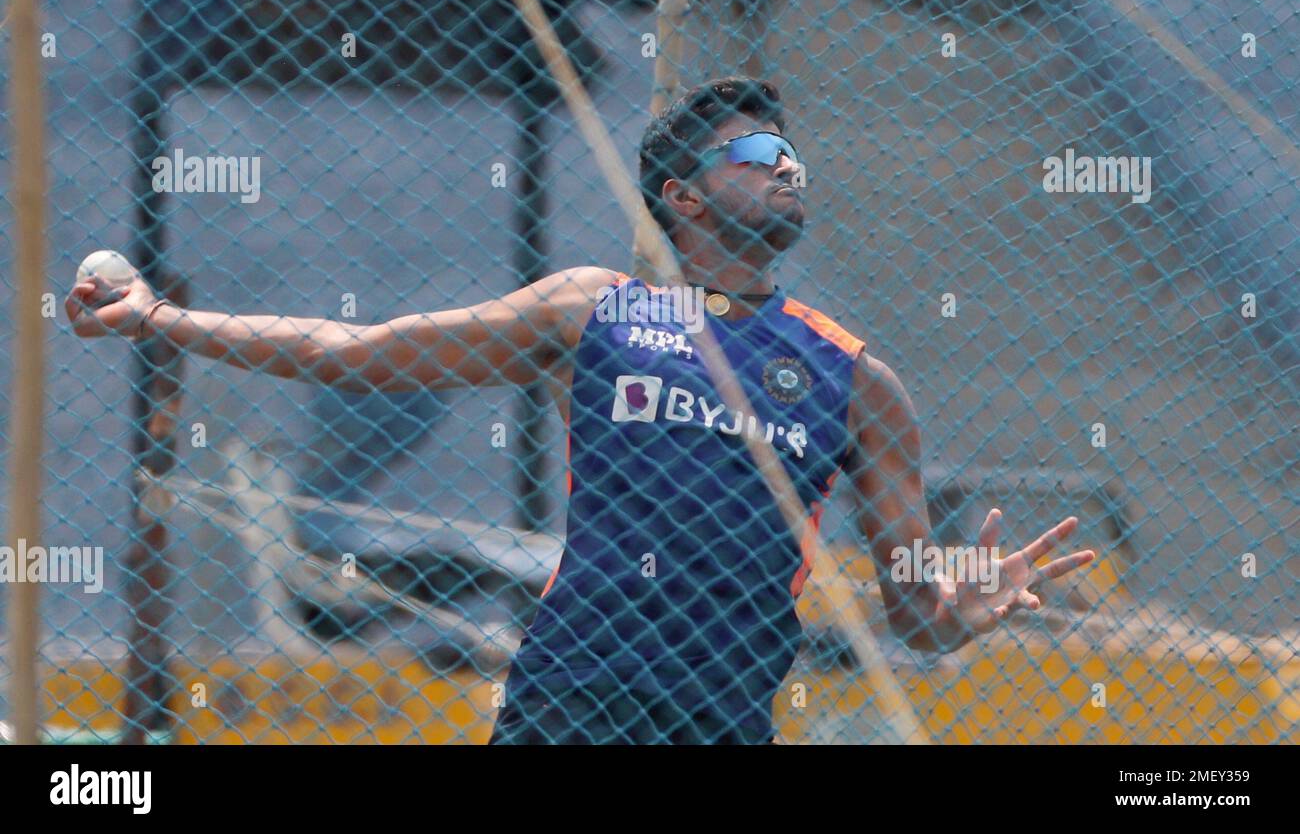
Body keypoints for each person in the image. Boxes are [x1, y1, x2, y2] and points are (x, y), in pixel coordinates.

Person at [67, 76, 1095, 744]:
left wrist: (964, 609)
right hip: (569, 701)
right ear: (683, 199)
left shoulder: (857, 377)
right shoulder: (596, 310)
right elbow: (358, 352)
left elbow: (916, 610)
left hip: (720, 721)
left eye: (792, 155)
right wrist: (159, 318)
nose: (785, 165)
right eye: (752, 154)